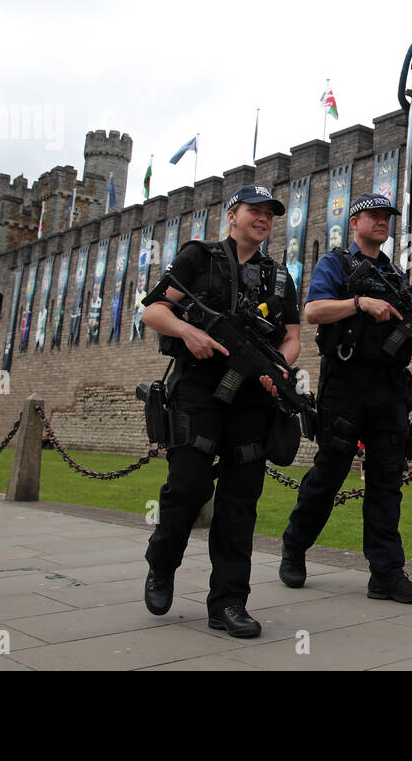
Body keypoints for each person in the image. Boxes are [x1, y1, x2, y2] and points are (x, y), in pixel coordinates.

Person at [140, 185, 301, 638]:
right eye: (255, 210)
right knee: (187, 487)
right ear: (232, 215)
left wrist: (278, 368)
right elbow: (153, 311)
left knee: (240, 501)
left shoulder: (279, 277)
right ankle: (161, 564)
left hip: (250, 395)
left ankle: (228, 602)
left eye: (270, 213)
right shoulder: (198, 257)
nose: (264, 218)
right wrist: (187, 333)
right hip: (198, 388)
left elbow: (292, 336)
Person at [279, 193, 412, 603]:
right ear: (355, 223)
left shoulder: (396, 276)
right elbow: (313, 311)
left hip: (388, 390)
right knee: (328, 474)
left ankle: (386, 573)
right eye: (374, 216)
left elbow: (405, 323)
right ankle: (295, 547)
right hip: (345, 387)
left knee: (387, 480)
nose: (383, 222)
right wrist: (358, 303)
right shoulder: (335, 264)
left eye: (387, 217)